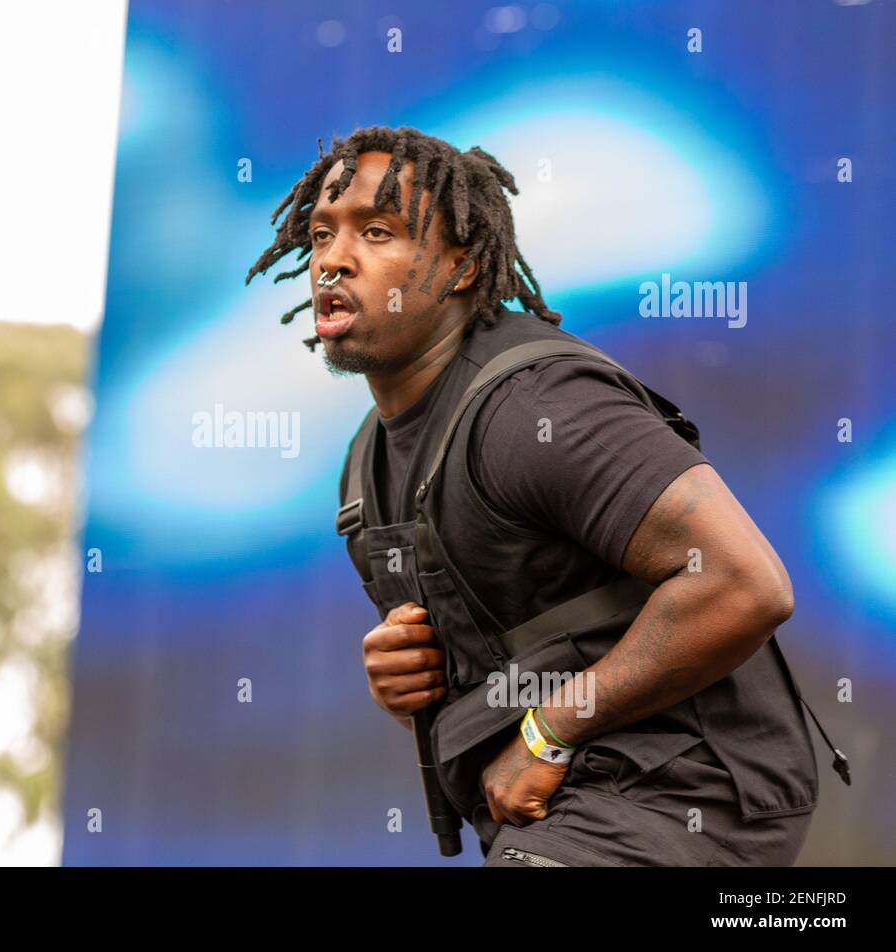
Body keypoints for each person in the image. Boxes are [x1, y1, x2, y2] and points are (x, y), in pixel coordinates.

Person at [245, 125, 826, 866]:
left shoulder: (536, 410)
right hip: (558, 814)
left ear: (462, 267)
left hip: (678, 797)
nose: (333, 259)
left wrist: (550, 729)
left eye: (378, 231)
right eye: (322, 234)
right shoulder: (369, 461)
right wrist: (409, 681)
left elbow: (742, 584)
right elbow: (510, 650)